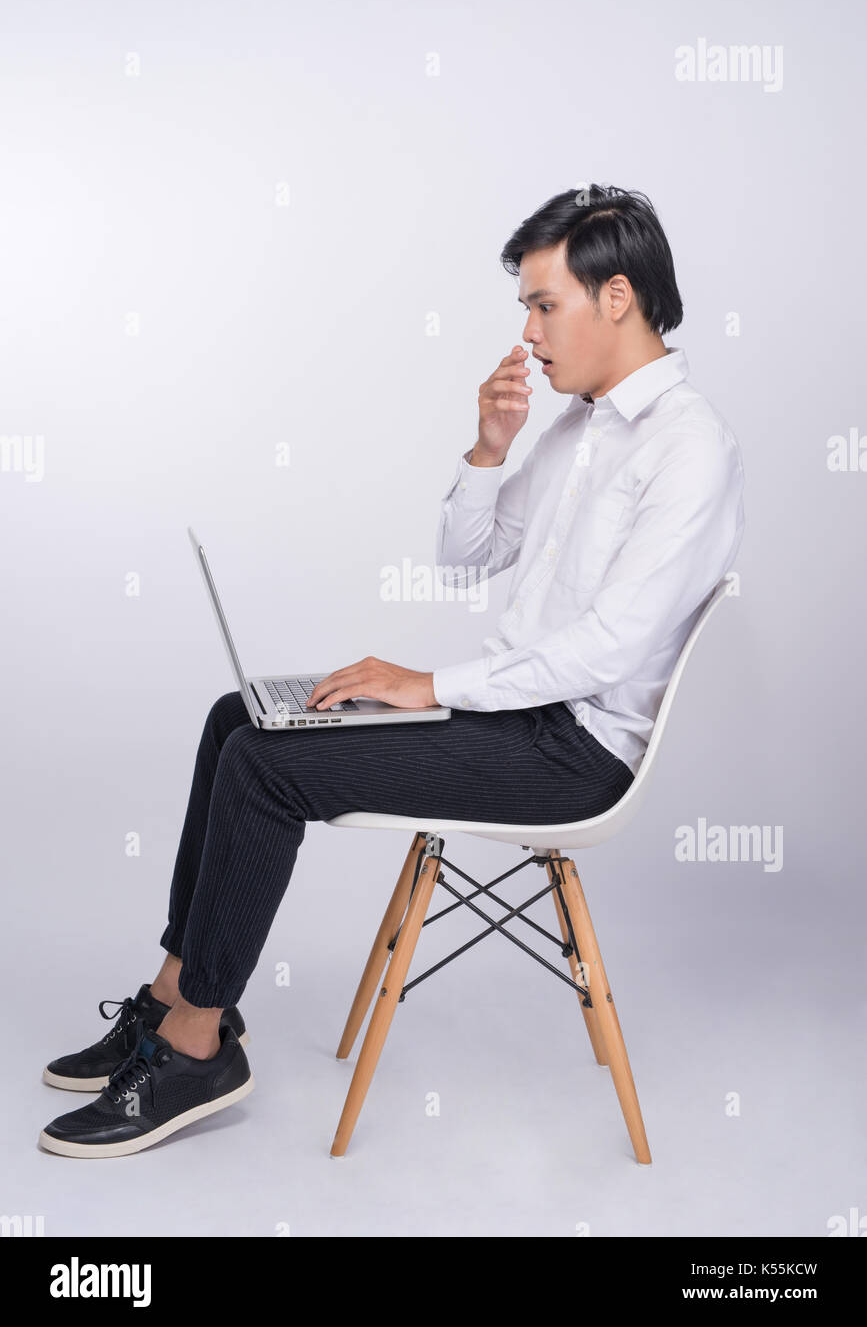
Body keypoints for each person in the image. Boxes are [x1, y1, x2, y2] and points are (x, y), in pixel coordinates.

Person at [38, 183, 744, 1158]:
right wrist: (491, 449)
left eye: (545, 305)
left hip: (572, 754)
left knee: (267, 765)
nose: (529, 333)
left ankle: (200, 1044)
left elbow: (612, 647)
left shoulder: (689, 447)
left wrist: (430, 685)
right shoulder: (582, 428)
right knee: (235, 715)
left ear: (614, 297)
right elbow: (470, 554)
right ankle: (168, 997)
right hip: (511, 715)